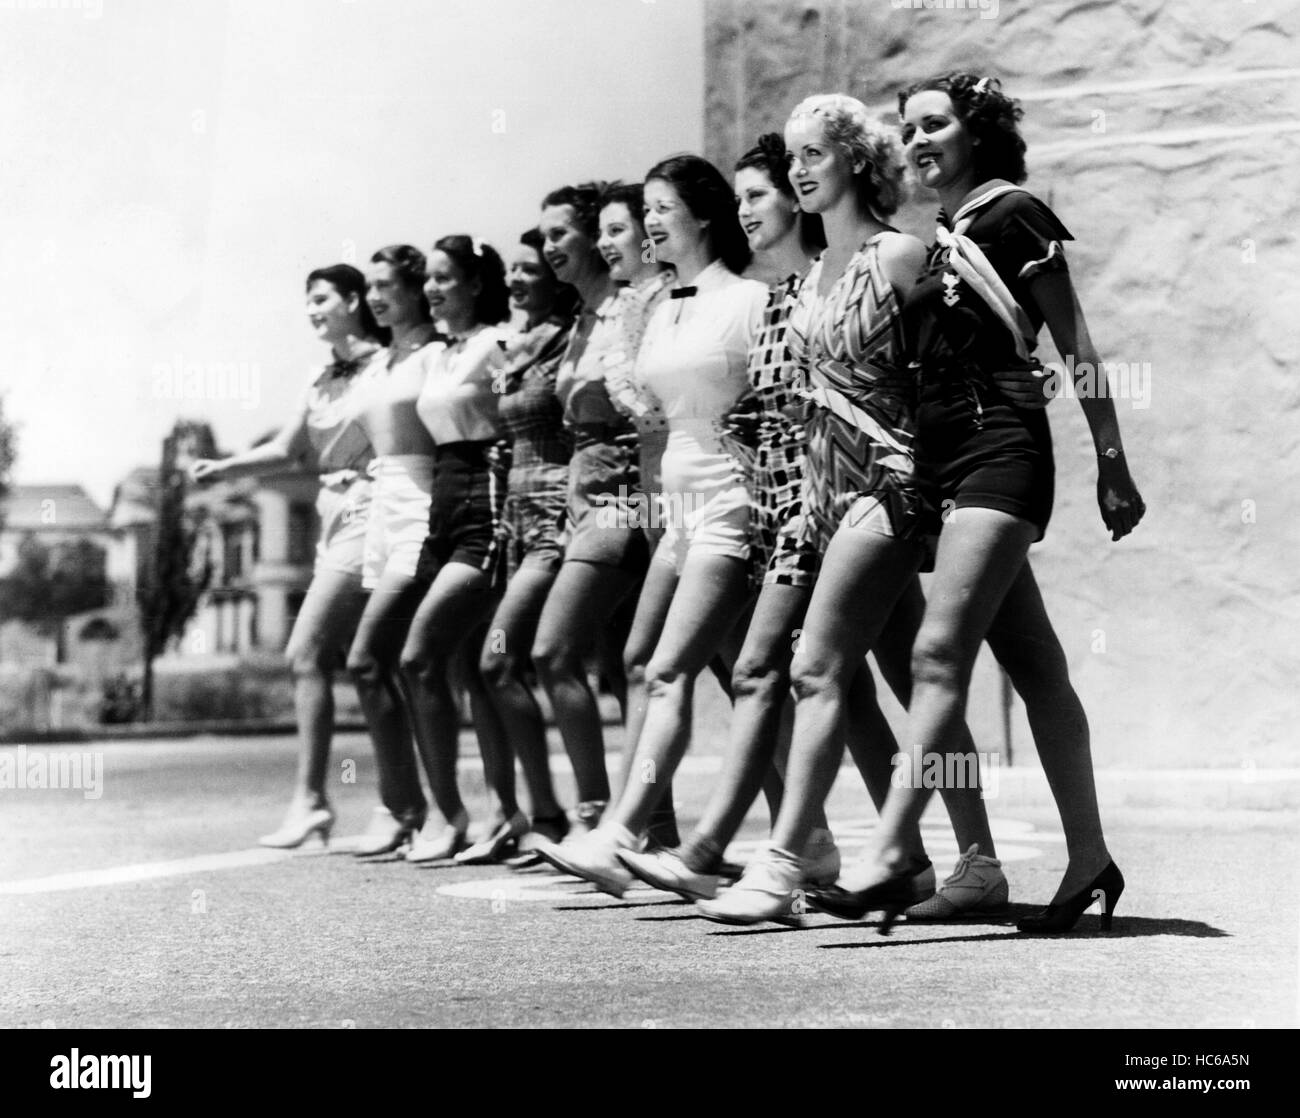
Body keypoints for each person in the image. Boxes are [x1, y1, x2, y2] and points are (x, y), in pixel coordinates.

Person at [798, 74, 1146, 935]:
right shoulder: (941, 234)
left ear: (977, 133)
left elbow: (1079, 348)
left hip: (1003, 451)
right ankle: (1089, 856)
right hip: (945, 466)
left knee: (936, 655)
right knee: (1035, 667)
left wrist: (1112, 462)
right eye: (908, 128)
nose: (917, 141)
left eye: (936, 125)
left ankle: (888, 851)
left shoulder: (1011, 213)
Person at [696, 95, 1001, 925]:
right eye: (791, 155)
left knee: (814, 668)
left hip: (891, 488)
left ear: (856, 162)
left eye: (815, 153)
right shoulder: (808, 279)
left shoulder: (898, 256)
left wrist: (964, 488)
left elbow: (964, 373)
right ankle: (974, 861)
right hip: (823, 498)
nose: (797, 168)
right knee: (903, 683)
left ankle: (787, 855)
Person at [536, 154, 771, 896]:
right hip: (675, 509)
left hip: (731, 500)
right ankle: (810, 835)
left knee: (675, 669)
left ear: (703, 215)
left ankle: (622, 831)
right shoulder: (666, 303)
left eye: (663, 208)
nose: (652, 221)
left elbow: (769, 407)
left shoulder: (749, 299)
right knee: (655, 661)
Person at [189, 263, 386, 848]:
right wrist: (226, 467)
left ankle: (313, 800)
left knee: (306, 652)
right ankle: (407, 806)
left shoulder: (389, 365)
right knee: (380, 666)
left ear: (354, 300)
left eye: (321, 298)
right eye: (307, 301)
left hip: (376, 511)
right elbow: (287, 446)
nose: (311, 310)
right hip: (332, 515)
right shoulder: (321, 374)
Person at [528, 183, 655, 842]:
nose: (551, 247)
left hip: (623, 496)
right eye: (544, 236)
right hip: (582, 499)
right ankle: (648, 831)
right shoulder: (582, 318)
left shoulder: (631, 309)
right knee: (621, 668)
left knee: (554, 651)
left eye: (560, 234)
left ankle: (596, 819)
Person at [396, 235, 517, 863]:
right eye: (430, 280)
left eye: (447, 278)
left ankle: (450, 815)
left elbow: (520, 417)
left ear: (475, 284)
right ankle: (504, 814)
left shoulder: (498, 344)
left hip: (484, 506)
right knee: (462, 671)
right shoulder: (439, 355)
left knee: (421, 656)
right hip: (440, 508)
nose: (434, 289)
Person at [464, 229, 578, 864]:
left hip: (559, 518)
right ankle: (540, 816)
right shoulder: (513, 347)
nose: (514, 280)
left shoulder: (568, 341)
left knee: (499, 662)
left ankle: (562, 816)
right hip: (514, 520)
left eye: (528, 270)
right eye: (510, 270)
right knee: (519, 665)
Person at [344, 245, 443, 857]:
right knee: (420, 667)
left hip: (425, 505)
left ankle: (416, 807)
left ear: (417, 289)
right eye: (372, 287)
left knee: (371, 658)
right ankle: (413, 808)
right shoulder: (381, 361)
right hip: (382, 509)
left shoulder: (437, 354)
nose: (376, 298)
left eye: (389, 286)